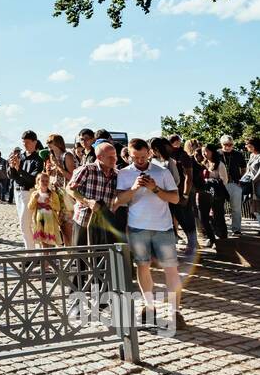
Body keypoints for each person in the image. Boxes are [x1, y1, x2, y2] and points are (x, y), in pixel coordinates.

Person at [115, 137, 184, 330]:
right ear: (129, 155)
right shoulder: (124, 174)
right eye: (135, 157)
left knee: (171, 269)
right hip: (137, 227)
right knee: (143, 266)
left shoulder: (162, 172)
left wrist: (155, 188)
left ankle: (175, 312)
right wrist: (134, 188)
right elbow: (118, 201)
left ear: (150, 153)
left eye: (143, 156)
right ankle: (149, 307)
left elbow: (176, 199)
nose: (139, 161)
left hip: (163, 227)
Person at [68, 141, 118, 246]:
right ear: (99, 157)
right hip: (84, 220)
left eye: (115, 156)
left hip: (104, 224)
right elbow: (69, 189)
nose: (114, 159)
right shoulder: (87, 169)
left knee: (102, 257)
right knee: (81, 257)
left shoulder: (117, 174)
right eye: (110, 157)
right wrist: (87, 201)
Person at [8, 131, 44, 249]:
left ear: (34, 142)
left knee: (25, 224)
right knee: (24, 224)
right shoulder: (21, 156)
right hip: (17, 191)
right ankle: (31, 250)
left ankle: (31, 253)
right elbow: (11, 176)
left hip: (29, 193)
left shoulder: (38, 159)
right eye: (23, 143)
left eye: (27, 142)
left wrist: (19, 169)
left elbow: (33, 179)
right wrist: (11, 166)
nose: (25, 145)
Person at [199, 144, 229, 243]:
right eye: (203, 151)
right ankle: (212, 236)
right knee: (207, 216)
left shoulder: (220, 164)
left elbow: (224, 180)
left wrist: (210, 180)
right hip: (205, 194)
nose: (204, 153)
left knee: (218, 215)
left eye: (206, 151)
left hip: (217, 194)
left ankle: (223, 236)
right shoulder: (203, 164)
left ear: (212, 152)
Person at [29, 171, 64, 249]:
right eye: (42, 181)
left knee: (51, 242)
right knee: (43, 243)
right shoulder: (35, 194)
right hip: (40, 221)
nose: (45, 182)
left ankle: (52, 260)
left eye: (46, 181)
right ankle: (45, 260)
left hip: (51, 221)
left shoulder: (53, 194)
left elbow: (58, 207)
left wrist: (50, 203)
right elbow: (30, 207)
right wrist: (34, 199)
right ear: (38, 181)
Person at [219, 135, 246, 235]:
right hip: (220, 185)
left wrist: (241, 180)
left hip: (235, 184)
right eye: (226, 144)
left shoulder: (238, 154)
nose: (228, 146)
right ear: (221, 144)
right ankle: (221, 230)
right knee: (219, 208)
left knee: (236, 208)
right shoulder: (217, 154)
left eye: (231, 144)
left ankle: (236, 229)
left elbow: (244, 168)